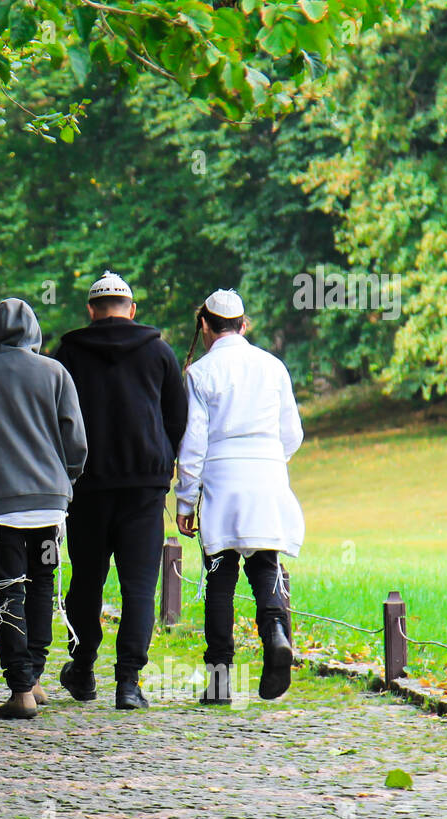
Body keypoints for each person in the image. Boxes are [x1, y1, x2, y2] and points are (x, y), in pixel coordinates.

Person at [53, 271, 188, 710]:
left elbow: (56, 415)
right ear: (131, 310)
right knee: (139, 586)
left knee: (86, 582)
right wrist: (161, 458)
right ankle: (129, 682)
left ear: (91, 311)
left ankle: (83, 666)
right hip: (144, 488)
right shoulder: (160, 353)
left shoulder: (69, 352)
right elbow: (177, 418)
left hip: (87, 484)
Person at [0, 298, 87, 719]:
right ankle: (35, 677)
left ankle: (20, 689)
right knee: (44, 586)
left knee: (9, 588)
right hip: (51, 507)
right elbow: (76, 442)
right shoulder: (55, 372)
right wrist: (63, 482)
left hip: (3, 507)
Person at [174, 289, 304, 704]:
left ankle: (219, 683)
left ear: (205, 327)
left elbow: (193, 445)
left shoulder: (200, 373)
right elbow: (293, 434)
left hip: (222, 480)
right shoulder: (274, 366)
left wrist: (184, 501)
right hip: (267, 475)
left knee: (219, 582)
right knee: (266, 567)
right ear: (243, 324)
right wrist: (268, 460)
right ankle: (275, 633)